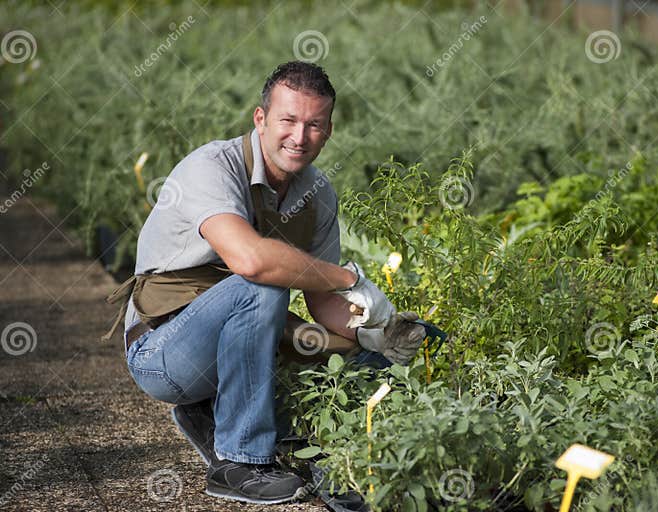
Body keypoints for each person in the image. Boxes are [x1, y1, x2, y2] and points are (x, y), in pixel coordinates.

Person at [104, 61, 426, 505]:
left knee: (353, 355)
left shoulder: (317, 196)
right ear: (261, 119)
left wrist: (375, 327)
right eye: (288, 120)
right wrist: (352, 278)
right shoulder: (211, 168)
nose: (299, 136)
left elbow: (322, 302)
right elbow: (250, 261)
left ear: (329, 130)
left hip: (228, 343)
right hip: (160, 351)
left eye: (314, 124)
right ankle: (239, 463)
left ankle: (207, 412)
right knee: (262, 285)